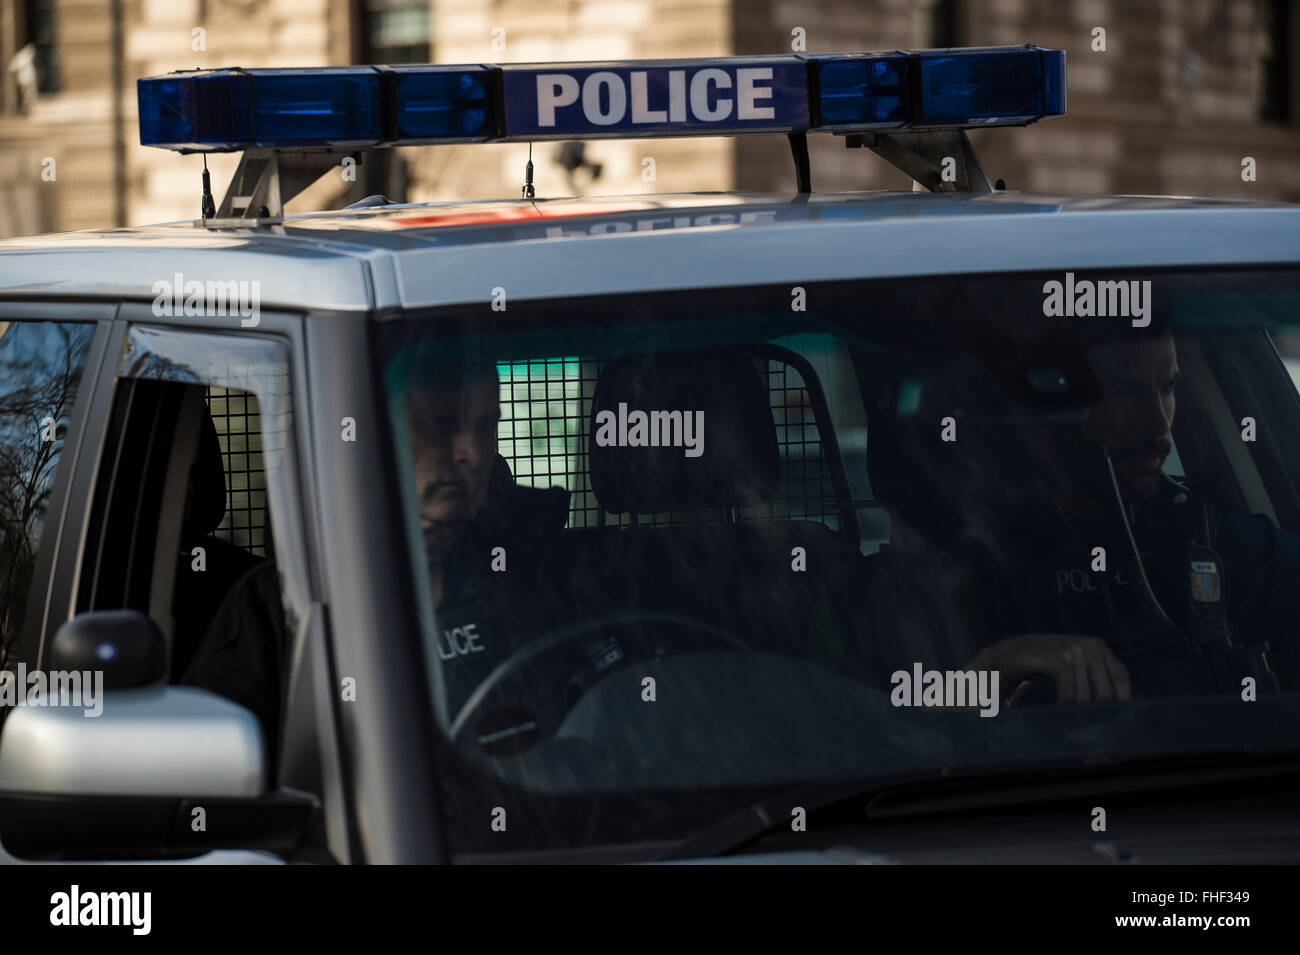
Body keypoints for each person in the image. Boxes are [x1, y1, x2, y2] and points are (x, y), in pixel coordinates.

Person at [182, 347, 569, 761]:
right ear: (370, 434)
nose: (472, 453)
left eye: (486, 427)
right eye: (443, 424)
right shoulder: (283, 605)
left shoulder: (539, 575)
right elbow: (211, 778)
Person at [962, 333, 1300, 703]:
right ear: (1055, 407)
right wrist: (997, 665)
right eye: (1125, 391)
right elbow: (907, 717)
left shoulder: (1216, 539)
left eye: (1168, 387)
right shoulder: (979, 555)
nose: (1158, 423)